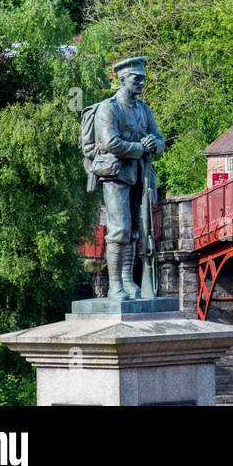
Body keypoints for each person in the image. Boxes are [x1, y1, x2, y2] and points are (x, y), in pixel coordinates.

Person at [91, 56, 165, 299]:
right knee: (119, 229)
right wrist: (141, 148)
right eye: (137, 78)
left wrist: (154, 143)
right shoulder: (108, 108)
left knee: (135, 229)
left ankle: (127, 280)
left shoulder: (144, 110)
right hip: (115, 174)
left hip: (139, 175)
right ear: (123, 80)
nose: (142, 82)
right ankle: (115, 285)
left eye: (143, 78)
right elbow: (109, 142)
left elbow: (160, 139)